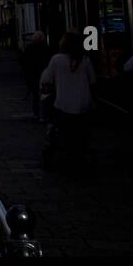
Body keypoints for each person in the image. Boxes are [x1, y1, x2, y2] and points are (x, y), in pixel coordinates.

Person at [40, 31, 96, 169]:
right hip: (83, 104)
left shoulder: (56, 60)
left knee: (60, 132)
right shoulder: (85, 60)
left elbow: (47, 79)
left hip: (63, 104)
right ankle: (79, 156)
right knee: (82, 134)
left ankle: (61, 155)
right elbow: (93, 80)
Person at [20, 32, 51, 122]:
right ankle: (44, 114)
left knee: (35, 95)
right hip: (43, 75)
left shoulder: (29, 49)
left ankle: (37, 113)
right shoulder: (46, 49)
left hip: (32, 75)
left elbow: (23, 61)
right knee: (44, 95)